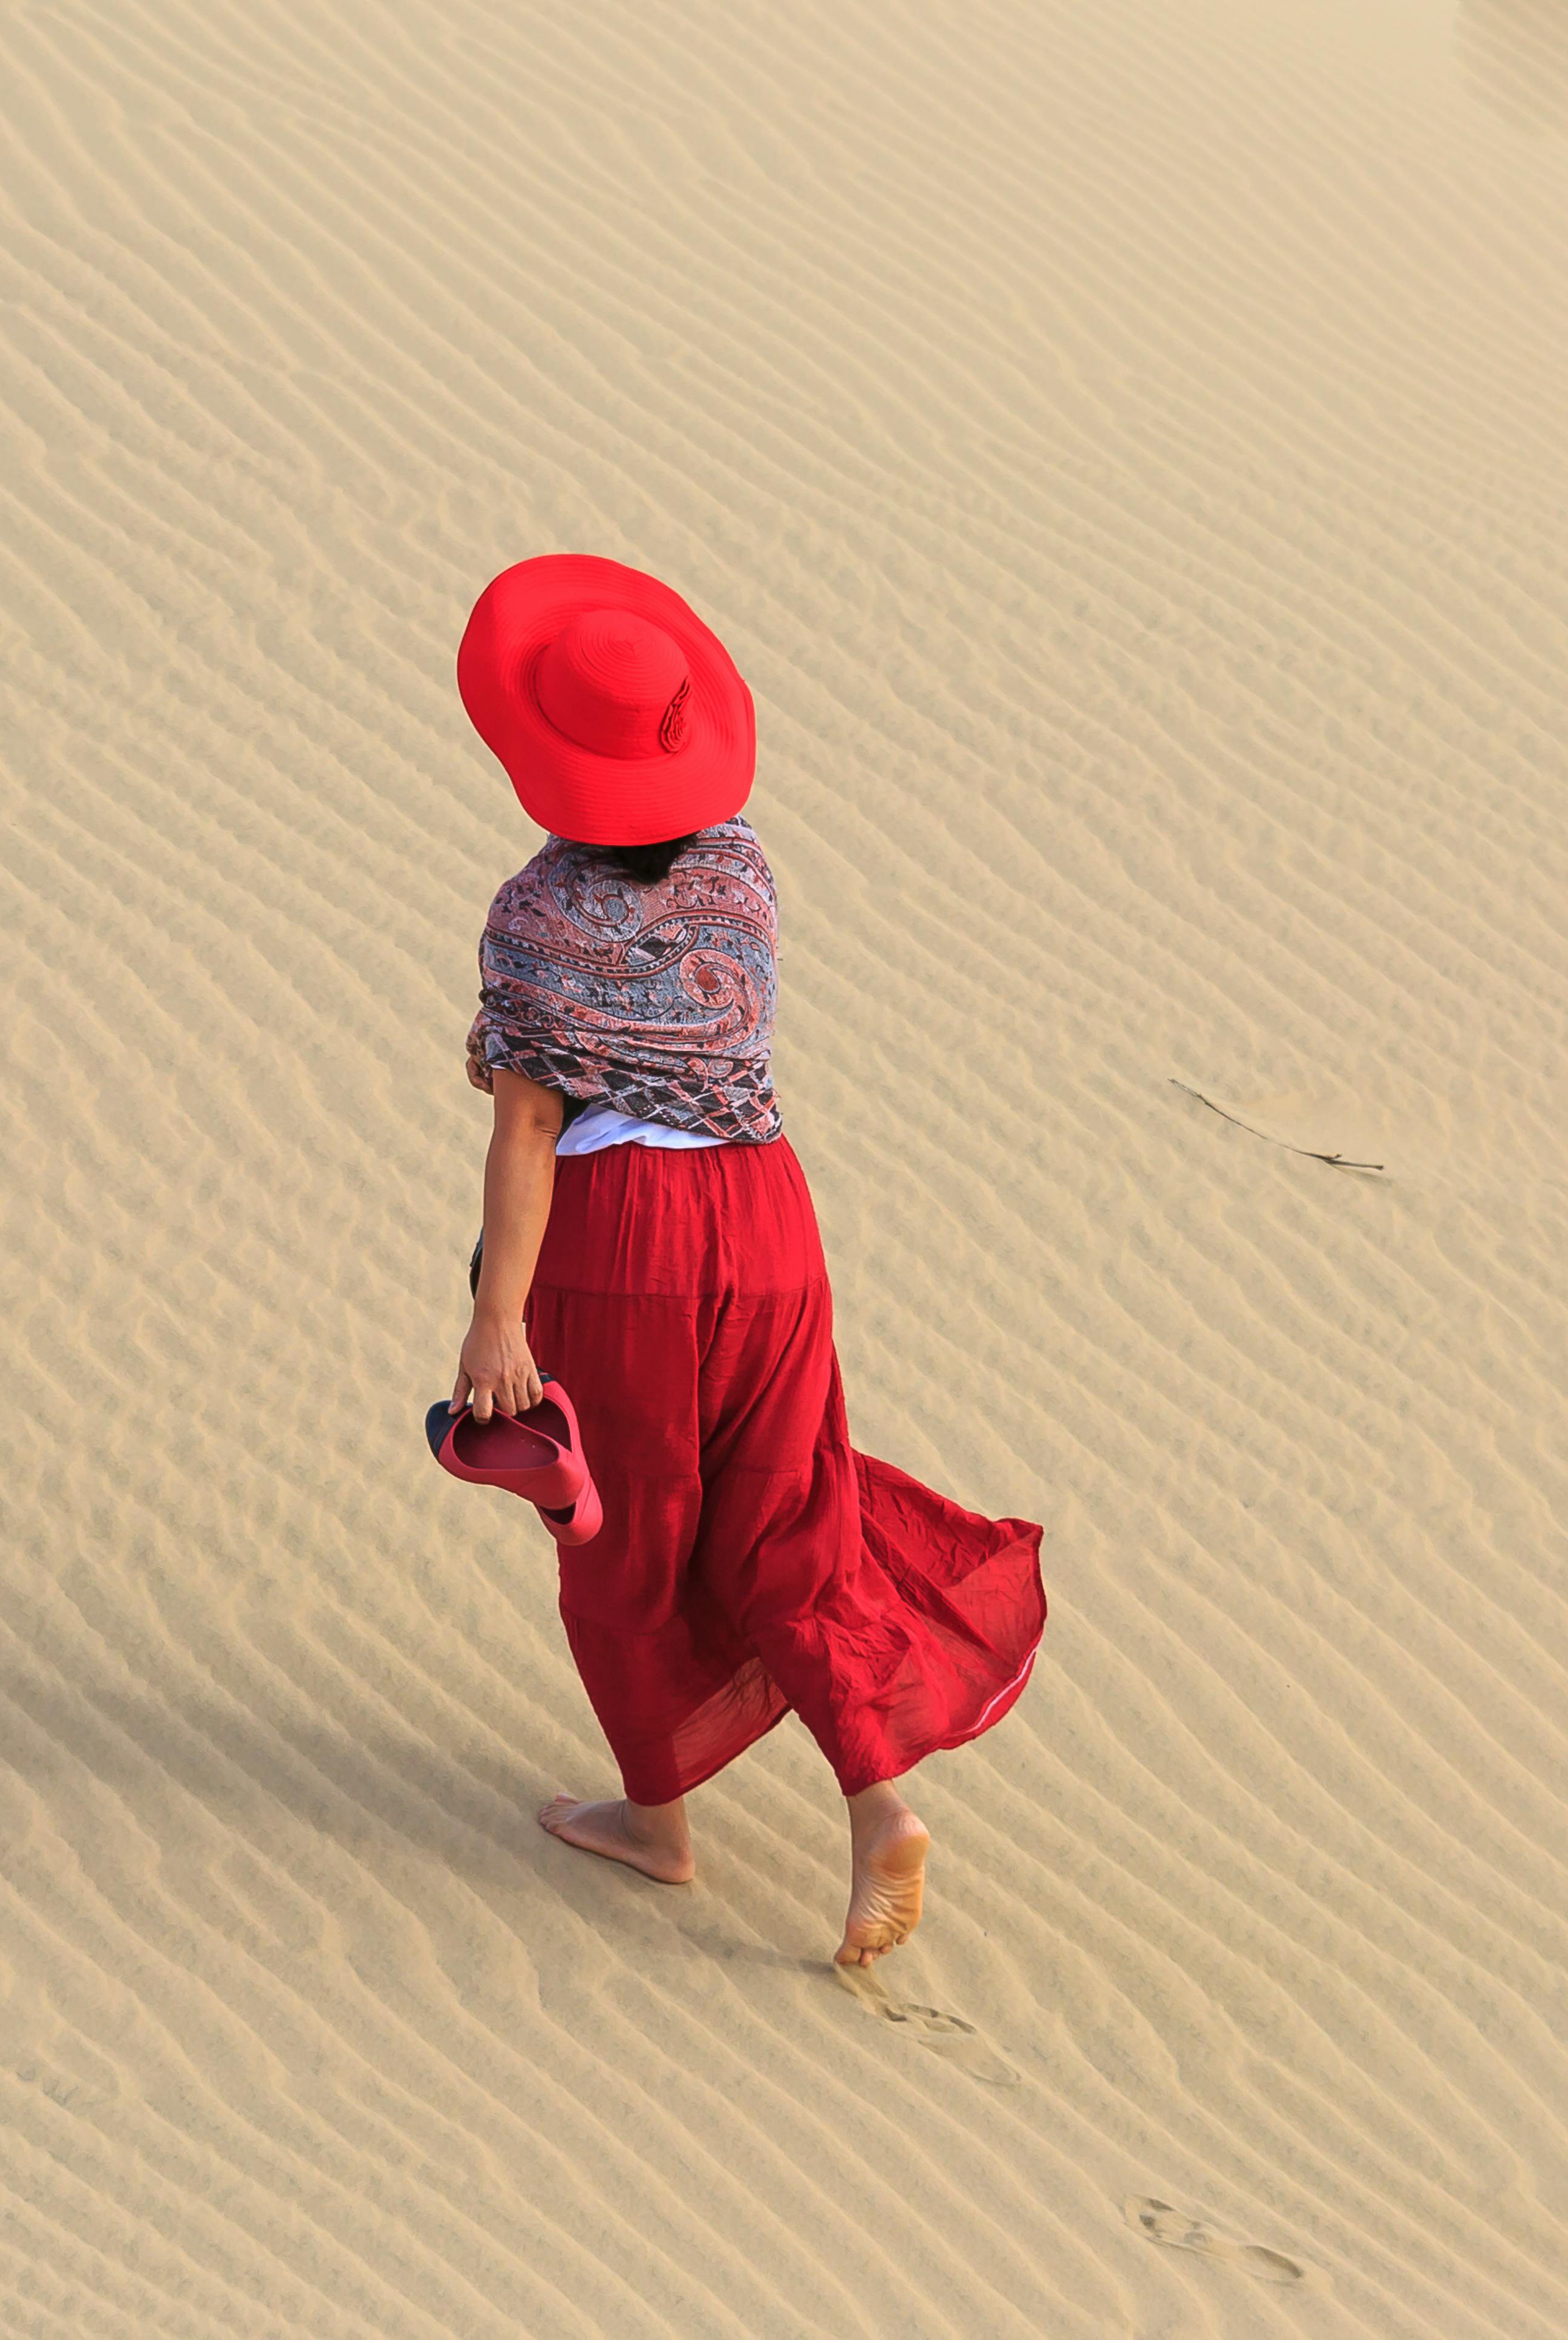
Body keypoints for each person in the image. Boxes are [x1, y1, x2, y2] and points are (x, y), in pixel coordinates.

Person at [449, 554, 1046, 1966]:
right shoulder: (741, 871)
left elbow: (529, 1133)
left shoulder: (534, 920)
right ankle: (875, 1800)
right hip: (769, 1221)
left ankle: (659, 1823)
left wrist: (494, 1321)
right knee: (789, 1512)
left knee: (627, 1535)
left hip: (625, 1249)